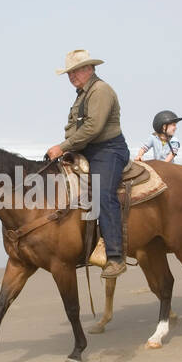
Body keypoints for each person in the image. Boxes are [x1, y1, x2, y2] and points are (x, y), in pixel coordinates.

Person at [46, 49, 129, 278]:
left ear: (89, 69)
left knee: (103, 194)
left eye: (75, 71)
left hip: (109, 150)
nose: (71, 76)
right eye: (69, 73)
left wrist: (62, 147)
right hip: (86, 148)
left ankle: (114, 256)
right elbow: (73, 127)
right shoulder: (81, 94)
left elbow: (93, 127)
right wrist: (66, 146)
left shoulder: (101, 91)